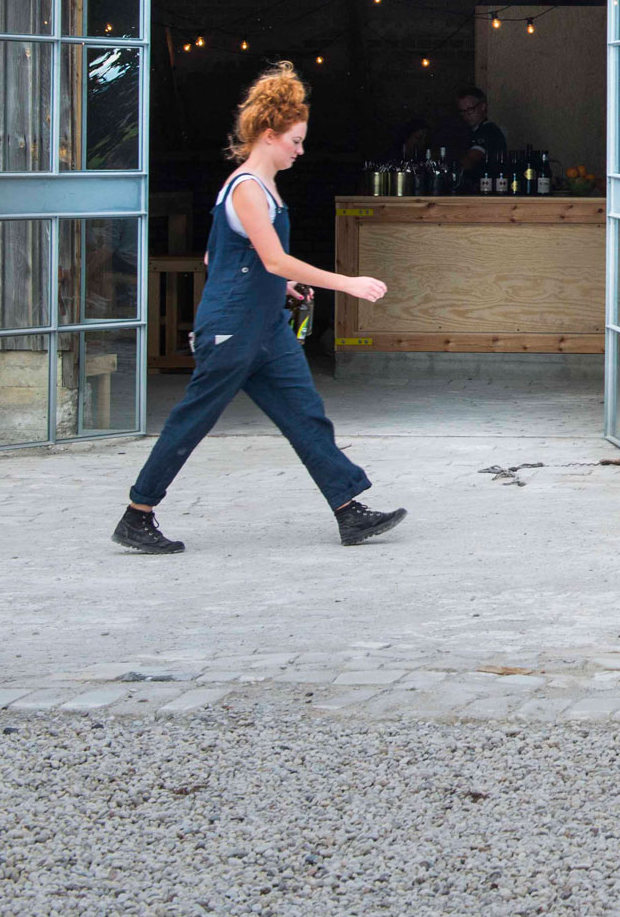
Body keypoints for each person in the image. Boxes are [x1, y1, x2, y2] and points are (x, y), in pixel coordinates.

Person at [114, 64, 407, 555]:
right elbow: (269, 257)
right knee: (193, 420)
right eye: (295, 140)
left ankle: (348, 509)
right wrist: (346, 283)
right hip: (231, 329)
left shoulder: (263, 187)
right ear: (269, 136)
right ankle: (137, 514)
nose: (300, 149)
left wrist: (285, 285)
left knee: (306, 415)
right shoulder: (247, 187)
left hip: (265, 328)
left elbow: (223, 256)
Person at [454, 85, 507, 170]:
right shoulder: (469, 131)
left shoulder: (489, 130)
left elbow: (473, 157)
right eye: (462, 111)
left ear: (482, 106)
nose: (466, 115)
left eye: (470, 109)